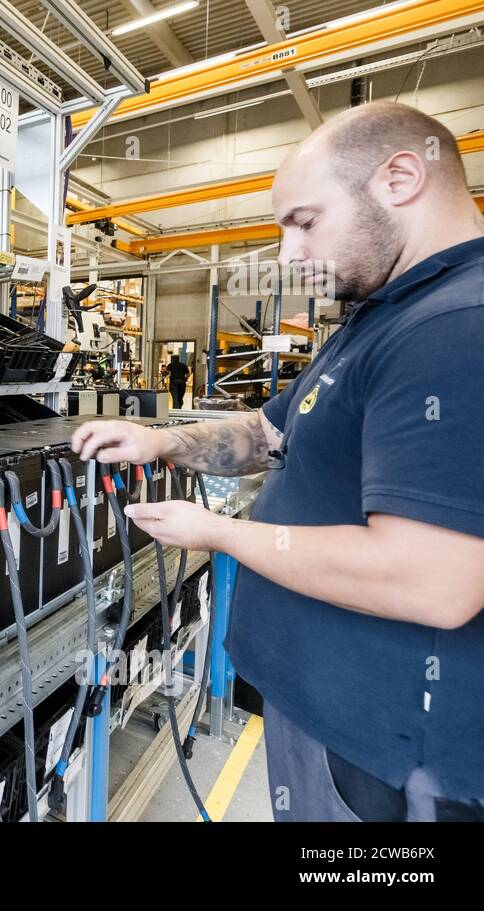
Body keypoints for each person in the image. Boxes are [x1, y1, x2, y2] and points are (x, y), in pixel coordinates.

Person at [71, 101, 484, 822]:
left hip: (383, 762)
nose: (290, 255)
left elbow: (434, 581)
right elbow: (269, 432)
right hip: (323, 719)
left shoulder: (454, 326)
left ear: (401, 178)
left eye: (305, 221)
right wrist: (163, 441)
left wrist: (218, 531)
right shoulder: (382, 315)